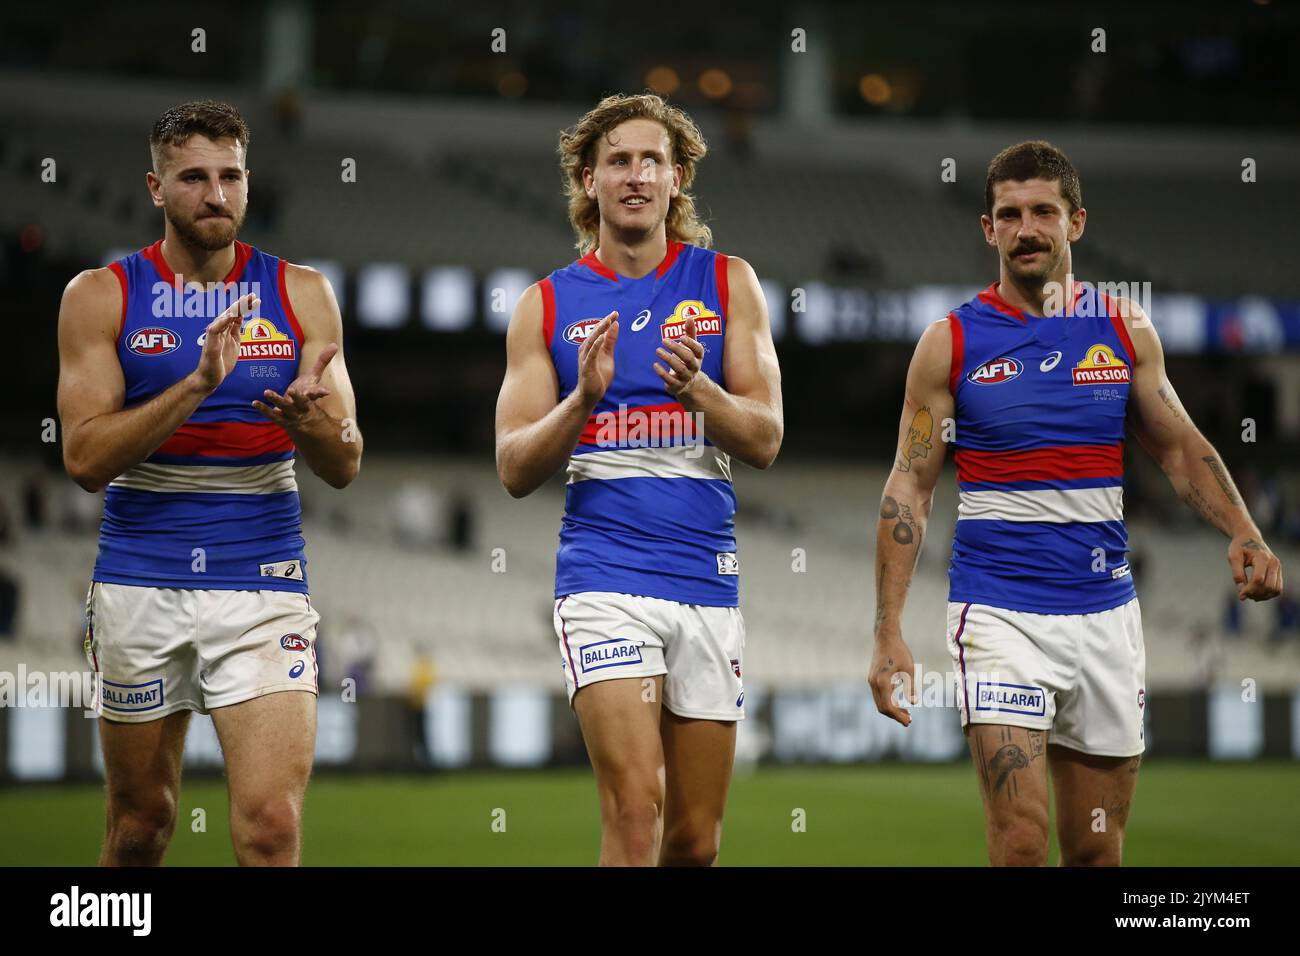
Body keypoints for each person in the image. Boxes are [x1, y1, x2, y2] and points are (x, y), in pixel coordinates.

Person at [870, 140, 1283, 866]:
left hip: (1105, 618)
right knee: (1022, 841)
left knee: (1096, 852)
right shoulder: (951, 342)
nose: (1026, 228)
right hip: (999, 617)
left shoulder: (1124, 329)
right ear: (987, 229)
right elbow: (910, 484)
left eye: (1043, 212)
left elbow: (1181, 448)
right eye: (1009, 214)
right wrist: (888, 632)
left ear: (1077, 223)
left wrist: (1243, 530)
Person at [57, 100, 362, 866]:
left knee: (270, 828)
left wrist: (309, 425)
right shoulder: (100, 296)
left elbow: (345, 462)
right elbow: (86, 461)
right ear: (156, 187)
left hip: (262, 582)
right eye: (193, 177)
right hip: (139, 582)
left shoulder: (301, 294)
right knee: (140, 826)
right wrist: (195, 383)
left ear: (248, 183)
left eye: (230, 176)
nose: (215, 194)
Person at [494, 93, 782, 866]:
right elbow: (514, 466)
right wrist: (582, 399)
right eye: (616, 160)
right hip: (602, 582)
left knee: (694, 842)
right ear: (587, 180)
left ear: (677, 178)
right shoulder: (545, 305)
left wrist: (699, 392)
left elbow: (766, 438)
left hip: (706, 582)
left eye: (651, 160)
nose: (634, 175)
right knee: (636, 809)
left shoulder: (729, 285)